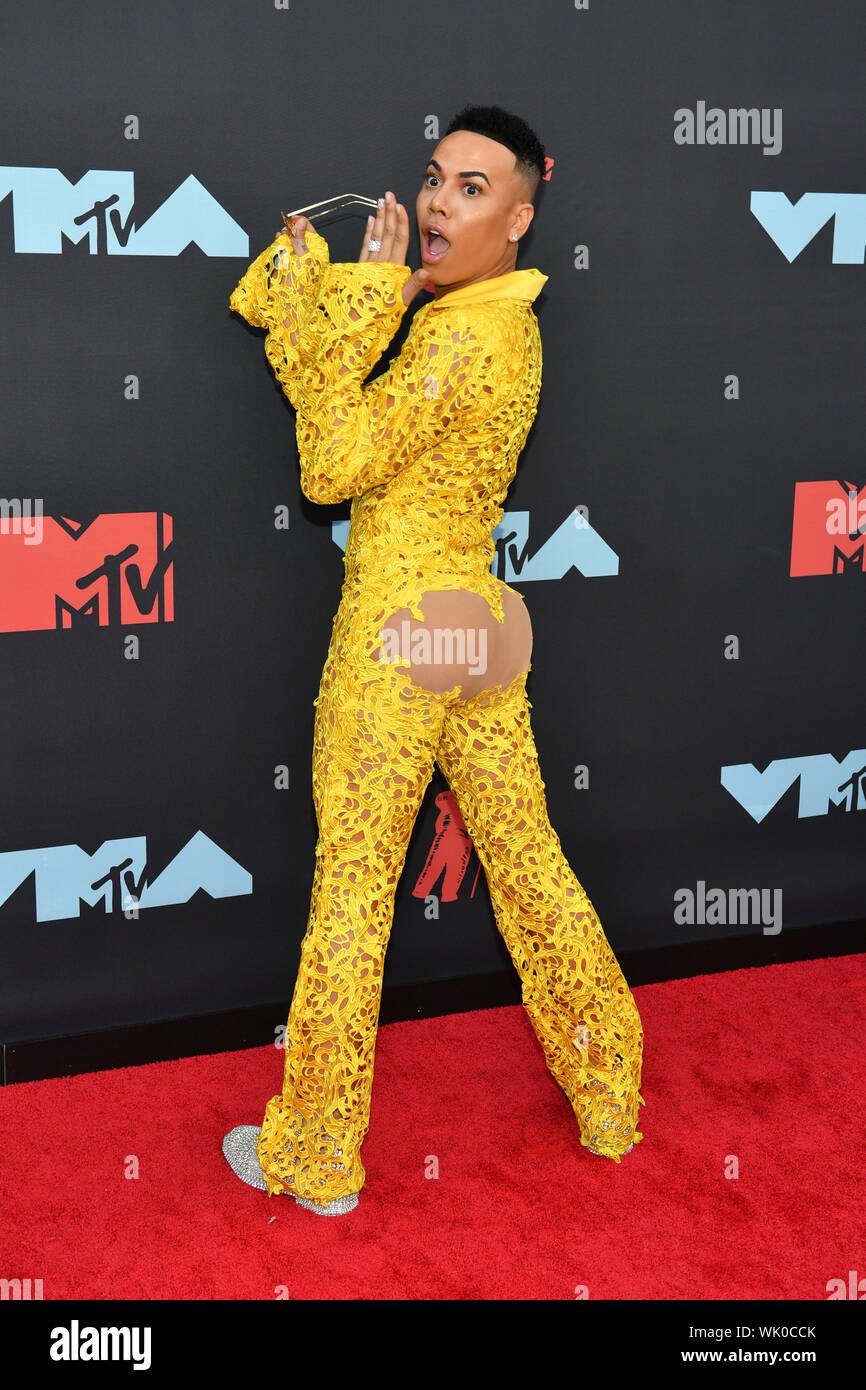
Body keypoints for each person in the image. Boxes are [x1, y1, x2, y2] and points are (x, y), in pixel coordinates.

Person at [223, 104, 645, 1215]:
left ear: (519, 219)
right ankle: (607, 1092)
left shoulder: (467, 333)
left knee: (353, 893)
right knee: (526, 858)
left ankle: (313, 1155)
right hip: (475, 628)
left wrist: (359, 296)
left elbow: (331, 461)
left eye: (469, 190)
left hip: (398, 636)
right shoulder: (506, 325)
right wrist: (369, 298)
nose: (434, 205)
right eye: (432, 179)